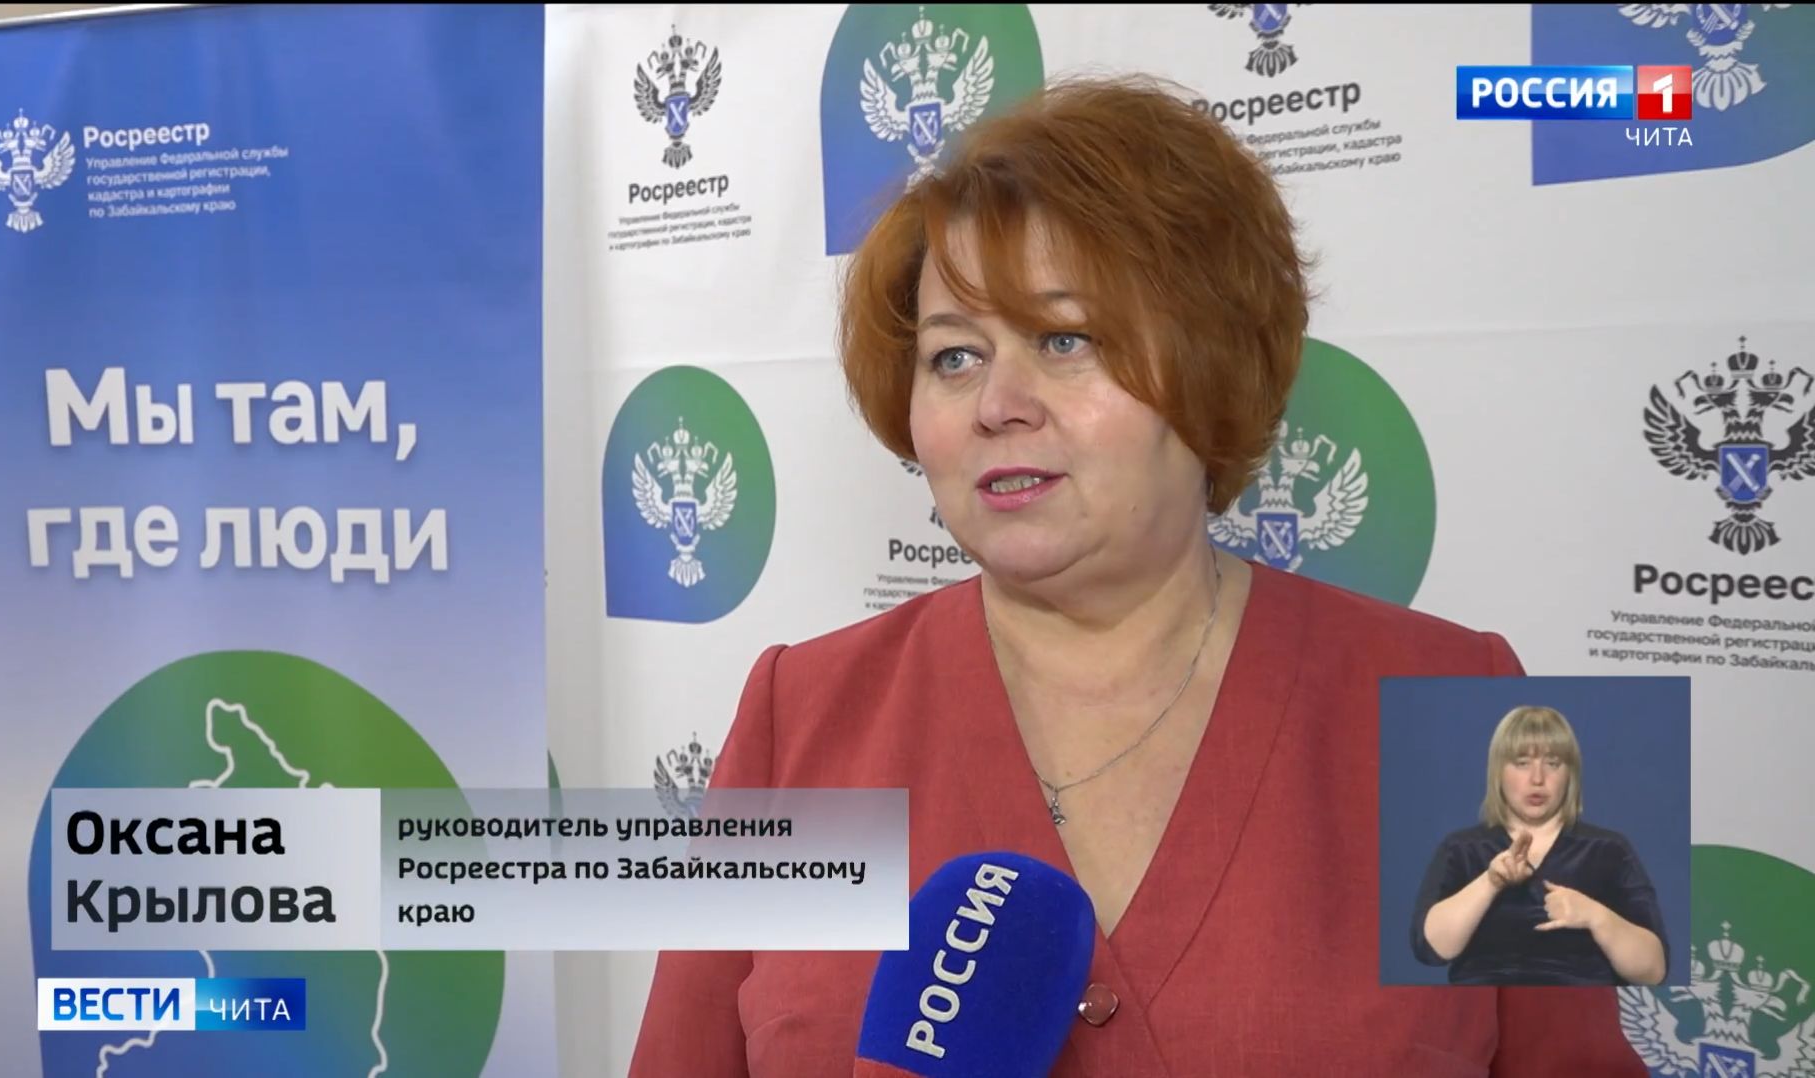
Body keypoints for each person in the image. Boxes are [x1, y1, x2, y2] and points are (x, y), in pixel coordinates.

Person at [628, 75, 1648, 1076]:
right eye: (954, 357)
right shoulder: (799, 712)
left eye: (1066, 339)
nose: (997, 403)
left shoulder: (1466, 705)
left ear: (1210, 365)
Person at [1411, 705, 1670, 987]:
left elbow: (1653, 970)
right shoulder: (1462, 849)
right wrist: (1491, 882)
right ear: (1498, 772)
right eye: (1522, 763)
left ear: (1570, 774)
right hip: (1486, 1007)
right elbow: (1430, 949)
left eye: (1553, 764)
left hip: (1578, 1008)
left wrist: (1596, 916)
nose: (1537, 779)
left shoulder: (1609, 851)